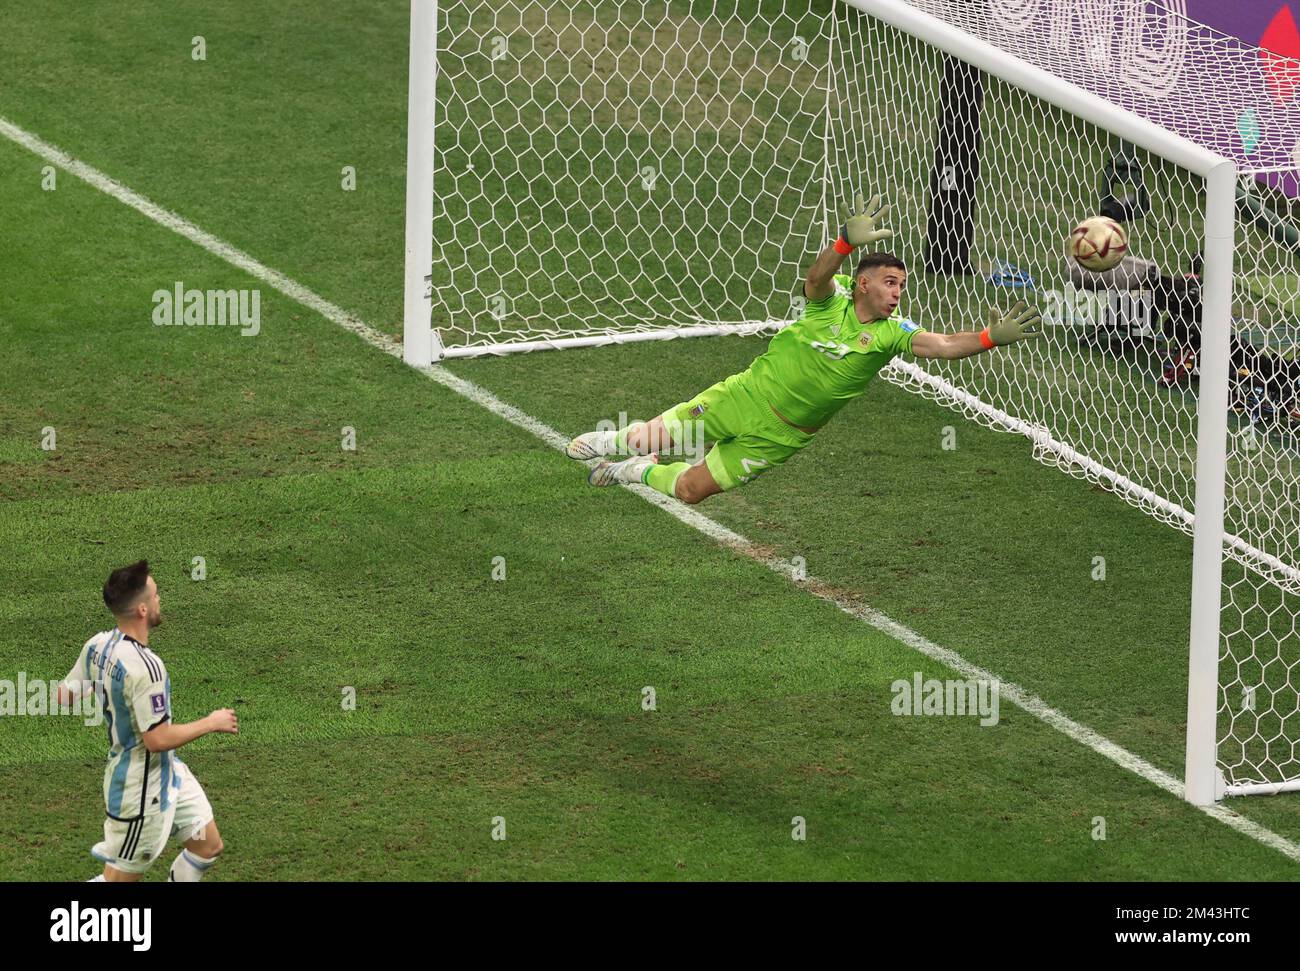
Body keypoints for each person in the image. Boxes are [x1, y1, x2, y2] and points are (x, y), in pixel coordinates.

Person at [566, 193, 1043, 503]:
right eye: (890, 282)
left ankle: (632, 474)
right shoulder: (827, 302)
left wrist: (987, 339)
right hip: (745, 396)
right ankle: (607, 444)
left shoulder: (892, 334)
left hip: (783, 435)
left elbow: (939, 345)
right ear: (862, 284)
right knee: (656, 436)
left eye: (902, 284)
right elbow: (814, 279)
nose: (897, 292)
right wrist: (842, 242)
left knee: (691, 490)